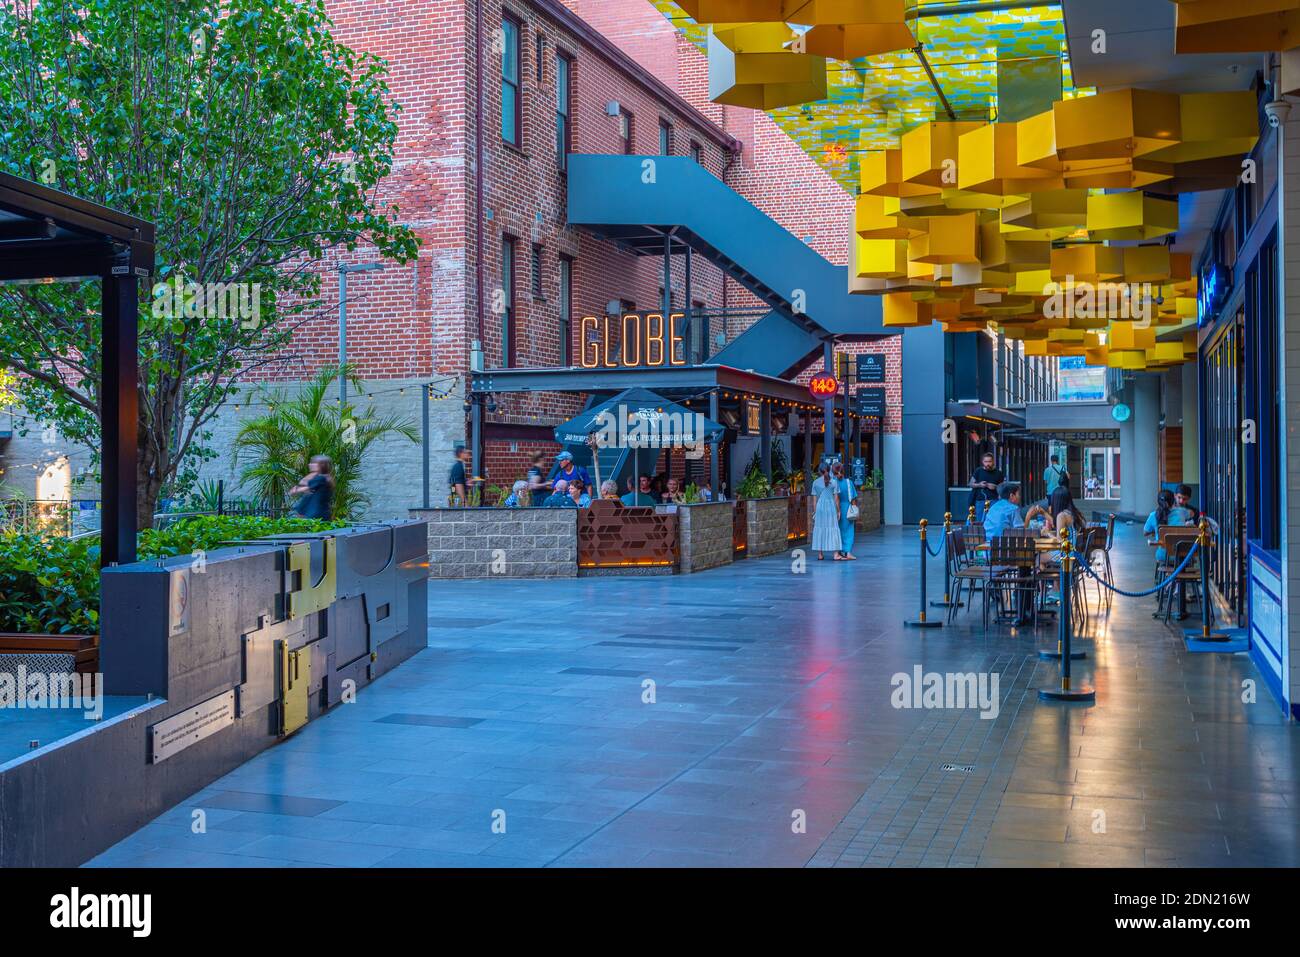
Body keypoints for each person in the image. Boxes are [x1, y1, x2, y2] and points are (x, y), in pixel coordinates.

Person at [1144, 489, 1195, 563]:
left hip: (1163, 556)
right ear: (1173, 501)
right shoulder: (1182, 512)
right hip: (1183, 557)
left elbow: (1145, 533)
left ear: (1158, 502)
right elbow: (1192, 513)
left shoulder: (1153, 515)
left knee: (1161, 554)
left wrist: (1156, 530)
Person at [810, 463, 843, 561]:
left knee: (820, 528)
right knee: (833, 527)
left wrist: (815, 512)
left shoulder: (815, 483)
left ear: (819, 471)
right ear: (829, 470)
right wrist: (838, 511)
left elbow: (814, 501)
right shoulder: (834, 482)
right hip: (830, 507)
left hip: (820, 507)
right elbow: (836, 499)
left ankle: (820, 554)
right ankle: (835, 554)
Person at [289, 455, 335, 519]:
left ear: (321, 465)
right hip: (319, 514)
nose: (309, 464)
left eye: (313, 463)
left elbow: (307, 486)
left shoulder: (321, 478)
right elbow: (305, 483)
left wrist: (296, 490)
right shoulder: (325, 478)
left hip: (316, 515)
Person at [834, 460, 858, 561]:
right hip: (847, 508)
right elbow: (853, 499)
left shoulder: (833, 483)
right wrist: (855, 510)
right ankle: (847, 552)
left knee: (838, 531)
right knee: (849, 531)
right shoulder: (849, 483)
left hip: (836, 509)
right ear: (843, 471)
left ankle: (838, 552)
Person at [969, 452, 1003, 522]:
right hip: (980, 500)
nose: (987, 464)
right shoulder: (978, 471)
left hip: (994, 501)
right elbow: (971, 484)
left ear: (993, 461)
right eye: (985, 461)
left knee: (993, 520)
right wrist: (979, 485)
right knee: (980, 521)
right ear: (982, 462)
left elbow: (1002, 488)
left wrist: (995, 487)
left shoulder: (998, 473)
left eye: (989, 461)